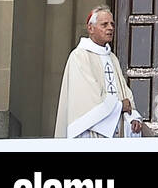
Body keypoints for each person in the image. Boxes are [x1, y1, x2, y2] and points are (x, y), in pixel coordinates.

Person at [54, 7, 145, 138]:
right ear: (90, 28)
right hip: (92, 132)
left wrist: (133, 117)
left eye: (112, 24)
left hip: (117, 129)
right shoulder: (79, 56)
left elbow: (125, 93)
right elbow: (87, 100)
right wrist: (119, 106)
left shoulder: (112, 58)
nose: (110, 28)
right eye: (104, 24)